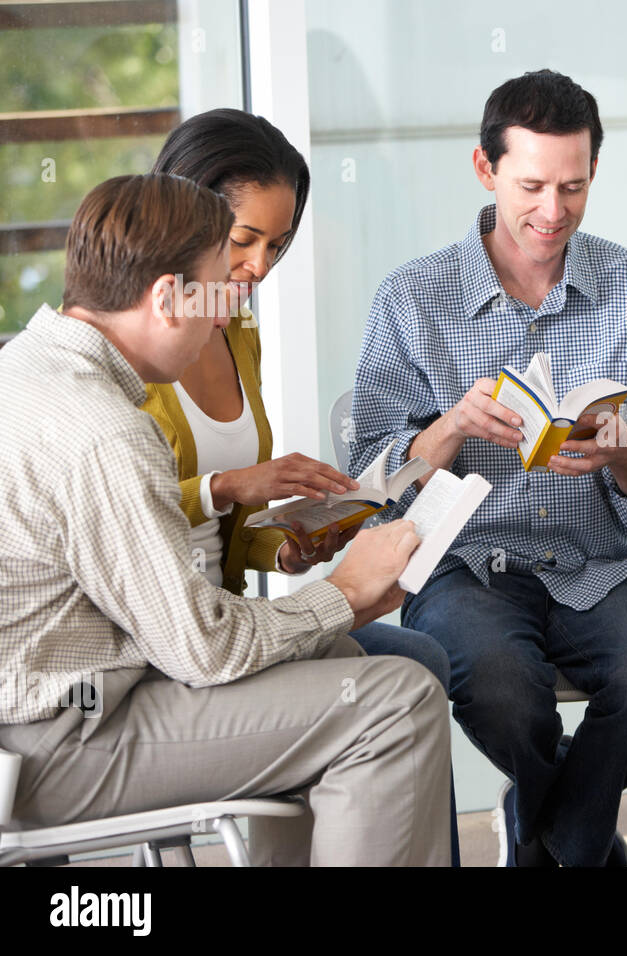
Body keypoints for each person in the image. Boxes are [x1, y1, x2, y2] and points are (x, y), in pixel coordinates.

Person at [0, 173, 452, 866]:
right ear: (165, 298)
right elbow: (202, 649)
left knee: (332, 659)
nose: (223, 317)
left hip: (57, 708)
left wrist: (325, 611)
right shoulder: (104, 432)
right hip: (57, 746)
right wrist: (346, 590)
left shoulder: (25, 367)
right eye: (216, 292)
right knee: (396, 701)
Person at [350, 69, 627, 866]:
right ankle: (581, 843)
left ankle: (545, 833)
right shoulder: (412, 297)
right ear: (486, 170)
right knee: (501, 687)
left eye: (574, 187)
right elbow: (371, 490)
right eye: (532, 186)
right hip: (466, 568)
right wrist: (448, 429)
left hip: (600, 566)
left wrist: (626, 450)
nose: (553, 212)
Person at [146, 110, 460, 863]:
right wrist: (229, 484)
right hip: (169, 634)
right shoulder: (139, 344)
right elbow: (132, 511)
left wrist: (289, 540)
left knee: (413, 658)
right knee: (381, 678)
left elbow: (220, 535)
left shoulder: (233, 332)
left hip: (223, 608)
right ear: (183, 212)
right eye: (244, 239)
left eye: (276, 245)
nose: (258, 266)